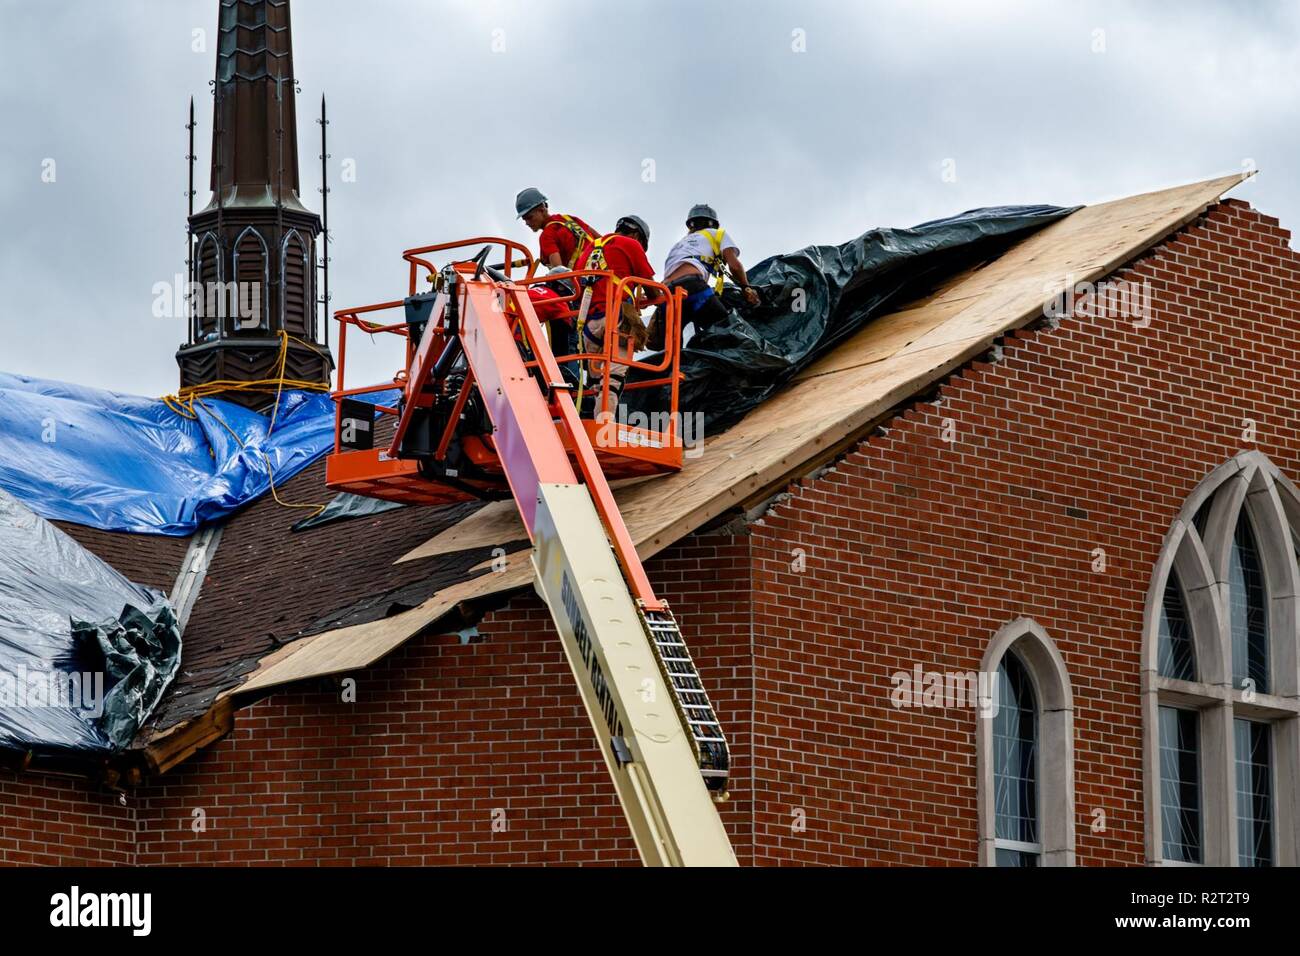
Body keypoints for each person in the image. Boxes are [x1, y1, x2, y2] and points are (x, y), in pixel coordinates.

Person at [572, 215, 655, 414]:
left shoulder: (588, 251)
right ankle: (604, 428)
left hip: (588, 325)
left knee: (595, 383)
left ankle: (592, 429)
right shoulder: (629, 244)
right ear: (637, 235)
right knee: (613, 380)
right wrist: (646, 298)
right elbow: (653, 290)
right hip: (617, 320)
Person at [649, 204, 760, 351]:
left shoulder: (680, 244)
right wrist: (746, 288)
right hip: (693, 288)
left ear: (690, 226)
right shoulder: (717, 234)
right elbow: (734, 266)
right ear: (712, 224)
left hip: (669, 295)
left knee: (673, 352)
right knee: (727, 333)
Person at [514, 187, 599, 269]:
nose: (527, 223)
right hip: (602, 270)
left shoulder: (546, 236)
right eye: (524, 219)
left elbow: (559, 273)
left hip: (585, 280)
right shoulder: (569, 219)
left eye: (530, 218)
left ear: (542, 210)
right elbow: (601, 240)